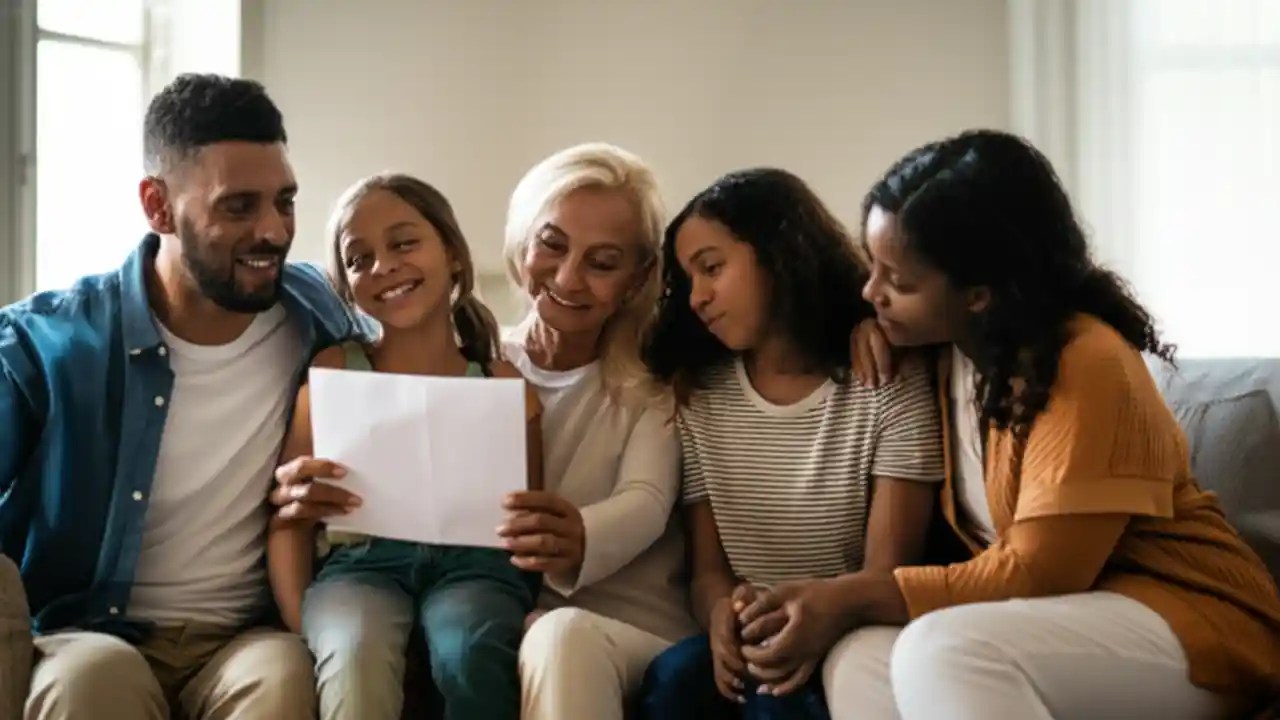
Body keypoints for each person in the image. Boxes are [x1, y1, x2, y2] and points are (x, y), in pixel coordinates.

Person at [809, 129, 1280, 718]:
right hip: (1059, 622)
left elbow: (1043, 570)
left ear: (979, 295)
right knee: (862, 653)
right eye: (872, 267)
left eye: (898, 281)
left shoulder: (1085, 360)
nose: (870, 292)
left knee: (945, 649)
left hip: (1189, 619)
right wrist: (869, 322)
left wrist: (852, 594)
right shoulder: (941, 350)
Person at [0, 73, 365, 719]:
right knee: (92, 680)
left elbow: (433, 360)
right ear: (158, 206)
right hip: (88, 630)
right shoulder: (47, 343)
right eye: (238, 206)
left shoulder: (321, 317)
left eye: (285, 201)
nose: (274, 230)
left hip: (245, 635)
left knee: (285, 678)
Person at [637, 168, 945, 719]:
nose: (698, 298)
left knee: (777, 705)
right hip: (751, 633)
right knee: (673, 680)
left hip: (851, 625)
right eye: (688, 283)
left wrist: (813, 618)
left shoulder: (885, 383)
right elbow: (709, 571)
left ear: (780, 252)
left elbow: (888, 574)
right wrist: (721, 615)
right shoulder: (699, 395)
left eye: (711, 269)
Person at [266, 173, 543, 720]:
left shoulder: (503, 382)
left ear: (454, 256)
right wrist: (304, 620)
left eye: (404, 243)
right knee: (355, 649)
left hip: (476, 568)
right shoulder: (334, 370)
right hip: (359, 567)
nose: (383, 266)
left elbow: (527, 522)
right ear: (346, 285)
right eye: (358, 258)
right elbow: (287, 519)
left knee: (469, 647)